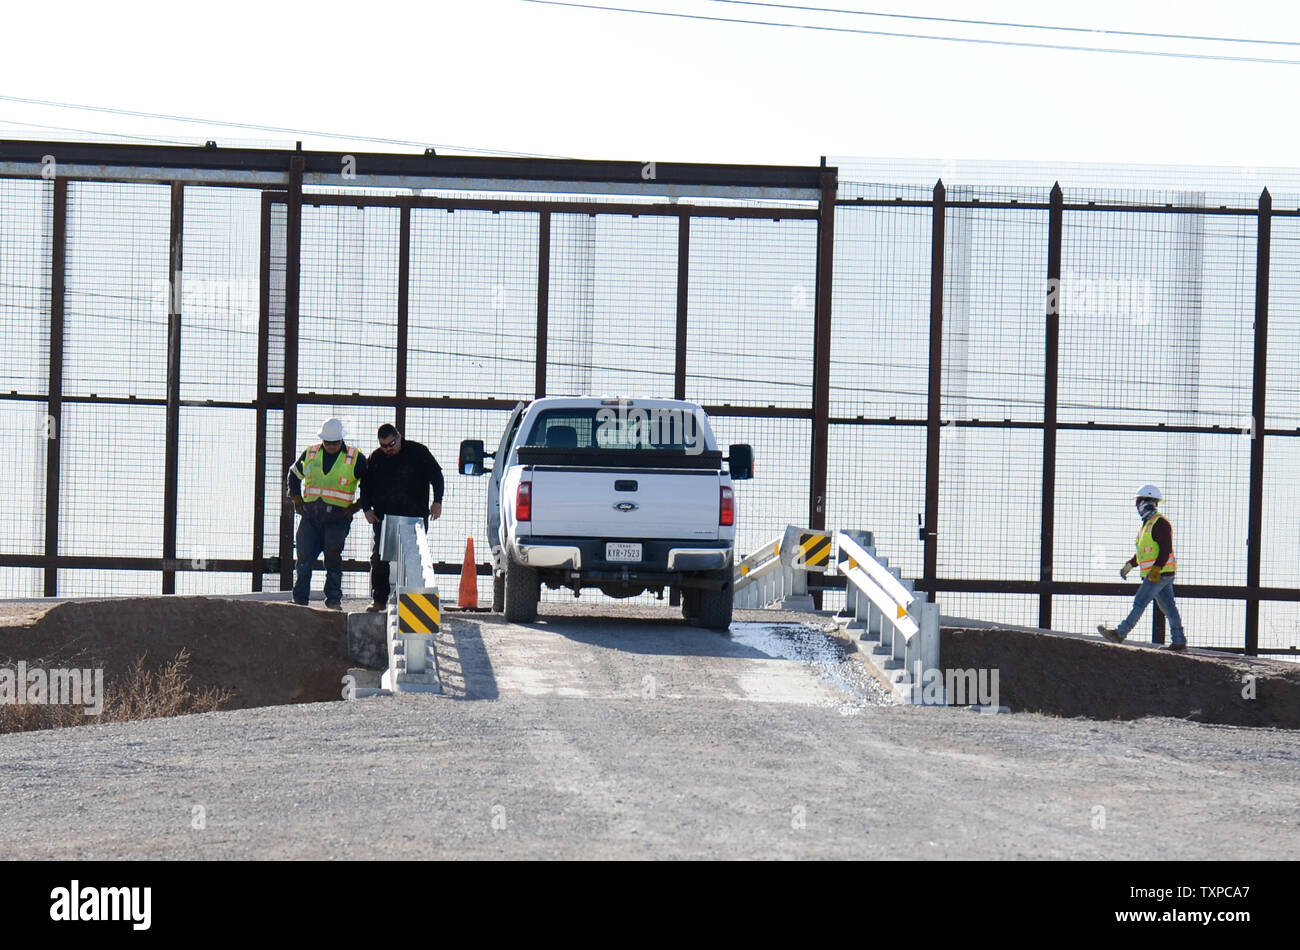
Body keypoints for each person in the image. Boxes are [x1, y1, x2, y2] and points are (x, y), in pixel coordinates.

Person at [360, 424, 444, 612]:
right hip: (384, 518)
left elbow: (437, 477)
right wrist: (366, 509)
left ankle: (408, 603)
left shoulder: (418, 452)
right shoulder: (376, 458)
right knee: (379, 559)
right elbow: (365, 486)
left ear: (399, 436)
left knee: (413, 560)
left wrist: (437, 502)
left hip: (414, 518)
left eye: (391, 444)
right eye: (384, 446)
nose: (388, 449)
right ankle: (379, 599)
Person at [286, 418, 367, 609]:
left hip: (338, 518)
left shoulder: (355, 458)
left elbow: (370, 484)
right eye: (328, 443)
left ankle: (333, 600)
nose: (331, 446)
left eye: (335, 443)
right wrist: (296, 498)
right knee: (304, 558)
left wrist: (358, 505)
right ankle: (300, 600)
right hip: (311, 516)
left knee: (332, 557)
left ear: (342, 440)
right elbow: (294, 475)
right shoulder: (311, 453)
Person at [1098, 484, 1186, 651]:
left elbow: (1166, 549)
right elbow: (1144, 553)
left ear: (1147, 501)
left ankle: (1119, 633)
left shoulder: (1159, 523)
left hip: (1159, 573)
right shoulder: (1148, 525)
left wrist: (1156, 569)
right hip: (1161, 573)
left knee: (1140, 602)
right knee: (1168, 607)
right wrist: (1130, 564)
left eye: (1139, 501)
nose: (1137, 506)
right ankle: (1179, 640)